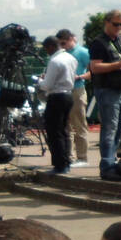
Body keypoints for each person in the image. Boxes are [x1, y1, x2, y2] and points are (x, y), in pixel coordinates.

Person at [87, 10, 121, 181]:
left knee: (119, 128)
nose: (119, 28)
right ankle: (107, 166)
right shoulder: (99, 43)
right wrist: (120, 64)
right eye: (116, 24)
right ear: (107, 23)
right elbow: (95, 67)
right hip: (108, 89)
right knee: (110, 127)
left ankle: (112, 162)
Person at [37, 35, 76, 174]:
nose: (47, 52)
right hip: (68, 95)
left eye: (46, 49)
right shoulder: (71, 58)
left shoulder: (54, 61)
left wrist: (38, 82)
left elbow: (47, 85)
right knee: (64, 130)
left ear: (51, 47)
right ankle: (66, 160)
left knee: (54, 132)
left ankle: (60, 164)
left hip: (56, 96)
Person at [61, 29, 91, 167]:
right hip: (63, 90)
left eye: (64, 42)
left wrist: (80, 76)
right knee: (65, 125)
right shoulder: (62, 53)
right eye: (61, 43)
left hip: (77, 89)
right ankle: (69, 156)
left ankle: (82, 157)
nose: (63, 45)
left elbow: (93, 70)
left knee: (79, 124)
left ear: (72, 38)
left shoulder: (83, 52)